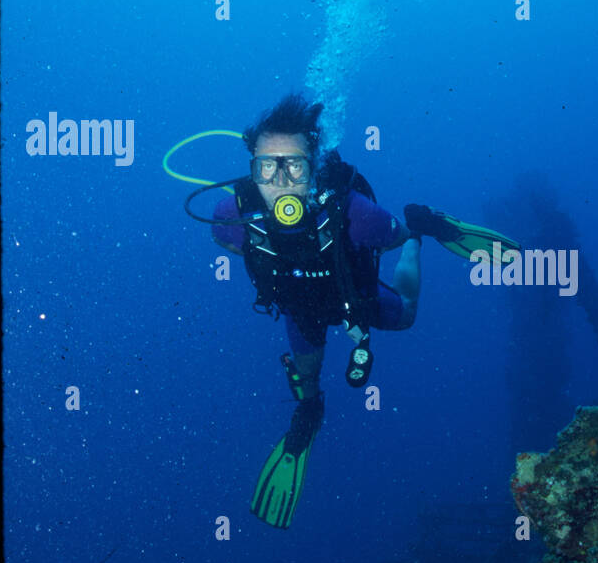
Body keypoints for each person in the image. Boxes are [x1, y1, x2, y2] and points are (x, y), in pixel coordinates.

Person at [207, 93, 515, 528]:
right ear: (251, 168)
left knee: (406, 314)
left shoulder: (356, 214)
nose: (280, 181)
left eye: (294, 165)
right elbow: (223, 240)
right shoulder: (233, 217)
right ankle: (309, 413)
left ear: (313, 167)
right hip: (301, 312)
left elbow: (390, 234)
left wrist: (407, 233)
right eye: (266, 167)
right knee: (307, 379)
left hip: (355, 299)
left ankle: (428, 229)